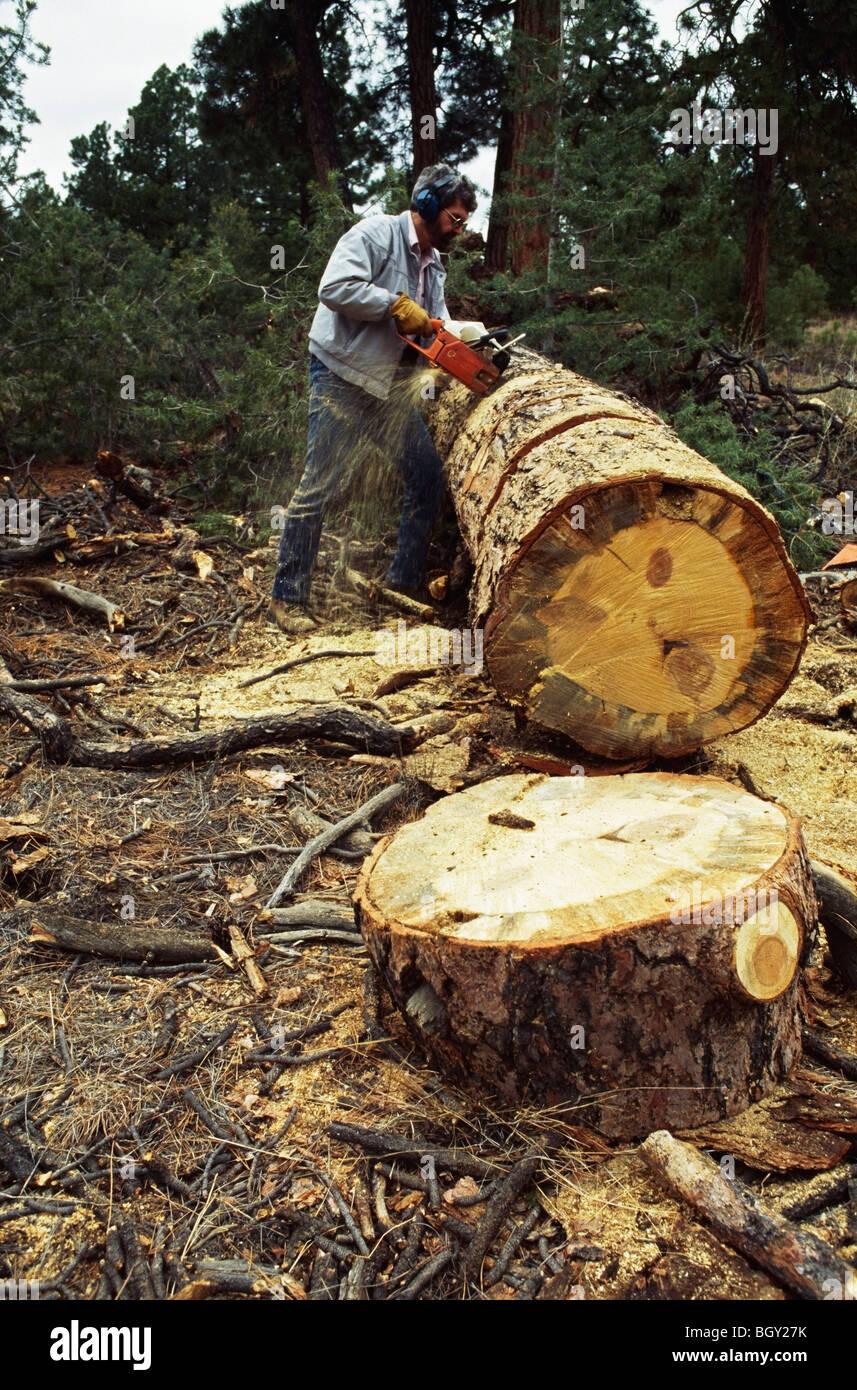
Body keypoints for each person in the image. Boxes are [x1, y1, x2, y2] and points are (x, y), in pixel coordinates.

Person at [267, 163, 477, 635]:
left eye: (463, 221)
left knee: (426, 475)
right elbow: (334, 289)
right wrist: (393, 304)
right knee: (320, 484)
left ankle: (402, 583)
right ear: (427, 205)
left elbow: (433, 321)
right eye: (455, 218)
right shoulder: (375, 235)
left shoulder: (434, 264)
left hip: (385, 387)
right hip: (341, 376)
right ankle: (287, 597)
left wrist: (456, 343)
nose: (459, 229)